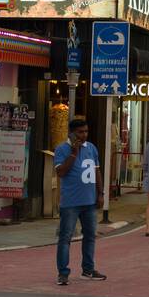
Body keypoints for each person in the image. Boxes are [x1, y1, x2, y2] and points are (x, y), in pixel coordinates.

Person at [53, 117, 106, 286]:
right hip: (70, 202)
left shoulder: (91, 148)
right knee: (65, 237)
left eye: (86, 131)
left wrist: (100, 193)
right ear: (71, 133)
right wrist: (73, 153)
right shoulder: (62, 149)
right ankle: (63, 273)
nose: (84, 135)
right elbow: (61, 172)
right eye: (80, 132)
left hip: (89, 201)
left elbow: (97, 172)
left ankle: (88, 269)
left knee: (90, 236)